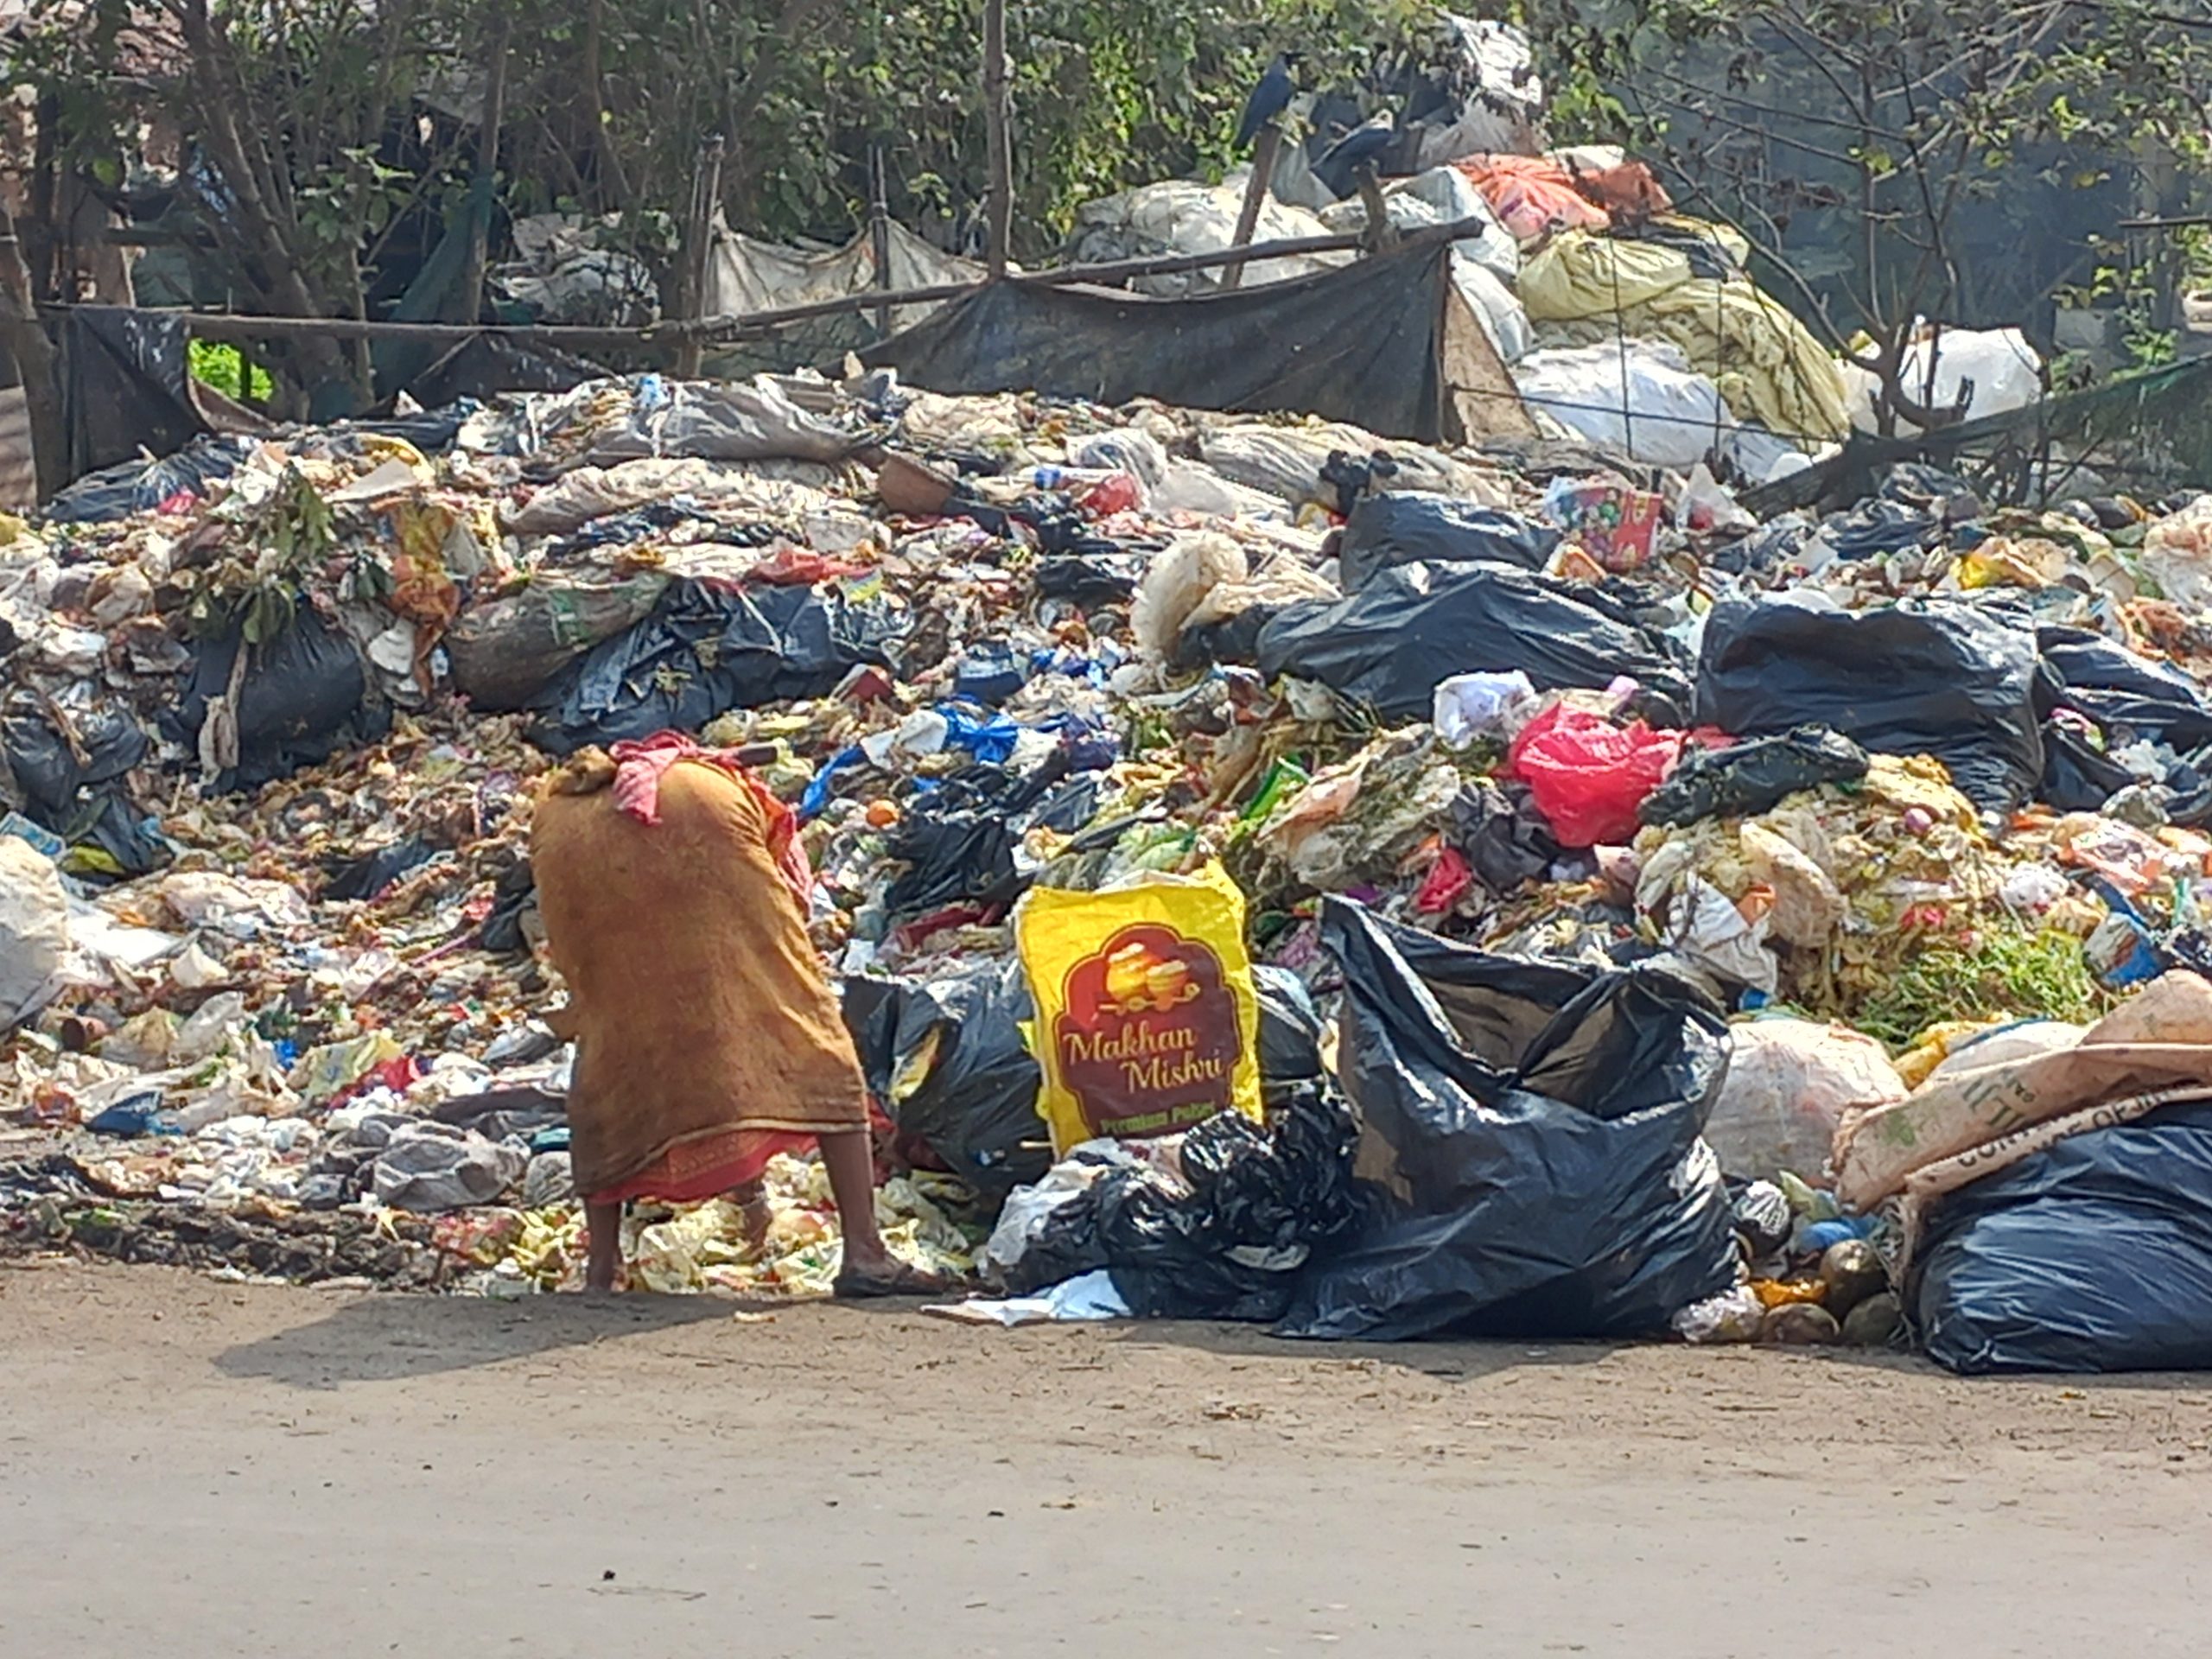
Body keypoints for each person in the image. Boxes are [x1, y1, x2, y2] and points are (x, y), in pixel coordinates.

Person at [531, 732, 943, 1296]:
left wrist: (755, 1206)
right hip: (700, 815)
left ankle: (602, 1268)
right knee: (804, 1031)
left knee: (613, 1036)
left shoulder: (559, 803)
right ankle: (865, 1254)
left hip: (567, 840)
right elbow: (786, 896)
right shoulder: (729, 787)